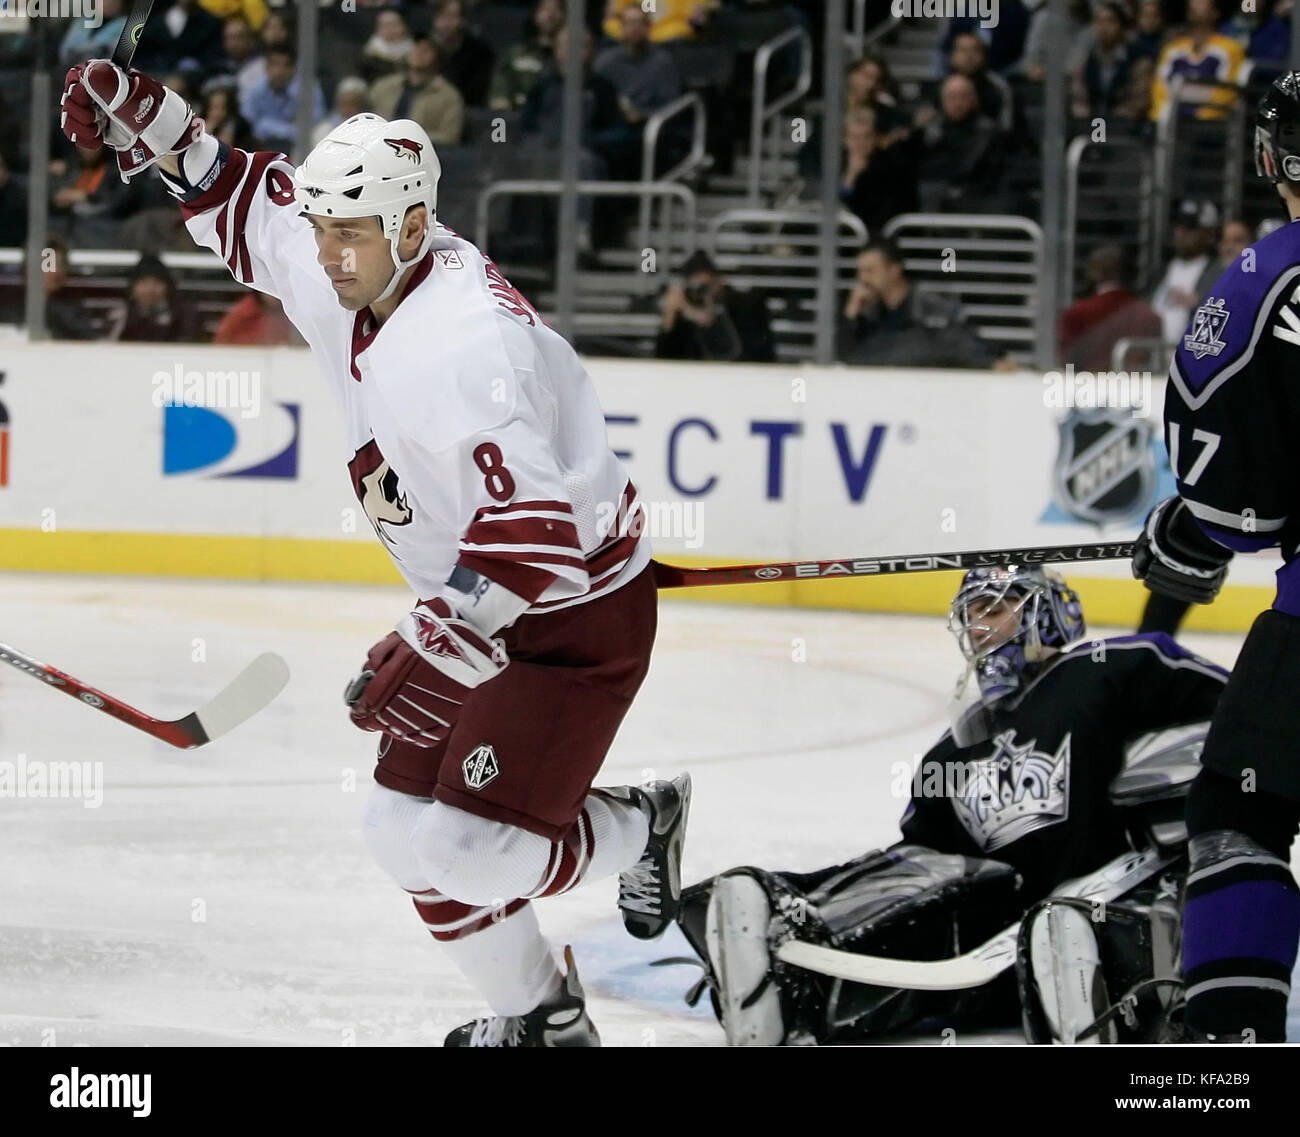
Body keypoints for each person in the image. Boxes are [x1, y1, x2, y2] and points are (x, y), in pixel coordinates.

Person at [60, 57, 691, 1047]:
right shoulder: (347, 259)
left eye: (346, 231)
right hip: (486, 604)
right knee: (400, 833)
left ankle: (638, 825)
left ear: (409, 224)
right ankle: (542, 1020)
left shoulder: (463, 344)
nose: (325, 251)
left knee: (471, 851)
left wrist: (433, 639)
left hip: (572, 620)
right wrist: (148, 118)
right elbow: (233, 189)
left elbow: (537, 542)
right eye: (319, 227)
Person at [677, 565, 1228, 1045]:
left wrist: (1172, 780)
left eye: (999, 607)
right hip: (1004, 949)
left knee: (1091, 915)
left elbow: (1237, 713)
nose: (983, 626)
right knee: (931, 881)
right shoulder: (953, 748)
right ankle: (798, 962)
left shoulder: (1114, 666)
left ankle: (1113, 991)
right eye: (973, 613)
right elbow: (921, 862)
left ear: (1051, 613)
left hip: (1118, 892)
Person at [1131, 70, 1300, 1045]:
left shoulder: (1263, 277)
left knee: (1238, 812)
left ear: (1273, 158)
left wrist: (1192, 526)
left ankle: (1223, 1065)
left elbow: (1239, 501)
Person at [838, 239, 1006, 370]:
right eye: (860, 272)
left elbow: (955, 342)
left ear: (894, 271)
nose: (863, 279)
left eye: (870, 271)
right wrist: (850, 317)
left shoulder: (929, 305)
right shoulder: (867, 313)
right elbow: (847, 357)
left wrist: (988, 363)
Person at [655, 251, 775, 363]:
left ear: (719, 282)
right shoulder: (684, 313)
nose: (701, 293)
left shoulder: (746, 306)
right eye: (695, 287)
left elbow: (750, 356)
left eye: (705, 286)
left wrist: (711, 324)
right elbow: (664, 362)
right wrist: (669, 318)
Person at [1058, 244, 1162, 371]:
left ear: (1096, 272)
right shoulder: (1149, 316)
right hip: (1138, 387)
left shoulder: (1077, 313)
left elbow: (1066, 363)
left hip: (1086, 387)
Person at [1148, 0, 1245, 122]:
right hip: (1168, 125)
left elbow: (1225, 94)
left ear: (1215, 12)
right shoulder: (1173, 49)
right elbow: (1160, 92)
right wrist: (1165, 117)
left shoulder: (1231, 50)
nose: (1193, 2)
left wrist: (1198, 119)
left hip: (1206, 128)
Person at [1150, 199, 1221, 350]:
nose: (1181, 233)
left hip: (1190, 357)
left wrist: (1197, 303)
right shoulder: (1163, 269)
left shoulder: (1219, 272)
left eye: (1190, 228)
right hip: (1154, 354)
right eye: (1179, 226)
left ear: (1209, 235)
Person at [368, 36, 465, 147]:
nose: (419, 53)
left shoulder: (449, 96)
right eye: (416, 47)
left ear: (438, 58)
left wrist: (413, 138)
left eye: (426, 50)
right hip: (376, 147)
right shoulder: (384, 85)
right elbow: (364, 114)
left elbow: (450, 136)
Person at [240, 45, 326, 151]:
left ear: (294, 69)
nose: (279, 71)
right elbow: (246, 124)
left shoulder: (307, 88)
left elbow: (316, 121)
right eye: (275, 65)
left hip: (298, 147)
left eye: (286, 65)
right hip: (262, 147)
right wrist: (290, 130)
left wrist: (266, 125)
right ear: (267, 68)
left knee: (322, 132)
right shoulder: (255, 91)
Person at [489, 0, 565, 112]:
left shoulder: (574, 56)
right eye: (545, 9)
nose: (550, 15)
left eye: (556, 9)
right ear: (535, 15)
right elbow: (500, 93)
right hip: (518, 116)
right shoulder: (515, 54)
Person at [116, 254, 201, 343]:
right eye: (144, 282)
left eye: (156, 282)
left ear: (168, 286)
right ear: (133, 287)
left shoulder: (185, 315)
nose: (150, 289)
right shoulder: (121, 315)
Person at [430, 0, 496, 108]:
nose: (447, 22)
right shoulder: (423, 46)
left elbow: (477, 94)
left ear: (463, 20)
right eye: (442, 15)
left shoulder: (480, 52)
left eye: (453, 16)